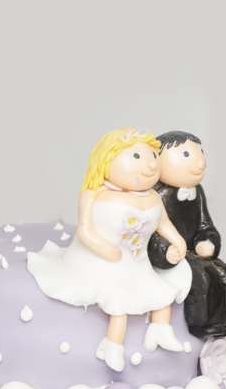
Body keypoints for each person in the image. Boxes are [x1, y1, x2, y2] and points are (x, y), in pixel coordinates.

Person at [28, 128, 192, 371]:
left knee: (160, 293)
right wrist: (103, 248)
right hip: (100, 264)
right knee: (118, 300)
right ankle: (112, 346)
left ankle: (160, 332)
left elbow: (163, 224)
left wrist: (178, 241)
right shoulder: (92, 194)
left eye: (152, 156)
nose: (149, 164)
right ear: (106, 160)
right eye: (136, 157)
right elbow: (85, 231)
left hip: (137, 264)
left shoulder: (153, 197)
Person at [148, 130, 226, 339]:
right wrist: (164, 252)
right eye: (186, 154)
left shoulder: (197, 192)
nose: (200, 162)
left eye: (200, 152)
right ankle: (202, 324)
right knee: (203, 276)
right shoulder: (154, 195)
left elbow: (204, 223)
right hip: (175, 252)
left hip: (193, 251)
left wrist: (208, 241)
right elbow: (149, 231)